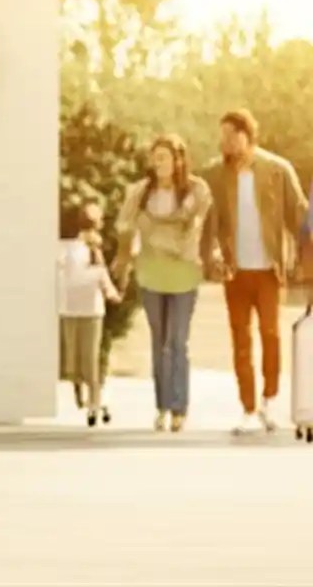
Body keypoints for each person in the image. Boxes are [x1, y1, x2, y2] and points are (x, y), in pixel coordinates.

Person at [200, 109, 309, 435]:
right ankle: (247, 408)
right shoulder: (215, 175)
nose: (227, 143)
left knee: (271, 335)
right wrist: (212, 254)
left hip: (268, 270)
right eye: (223, 137)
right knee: (240, 337)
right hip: (235, 271)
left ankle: (269, 400)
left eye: (232, 136)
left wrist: (301, 257)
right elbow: (207, 223)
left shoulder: (277, 170)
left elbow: (300, 215)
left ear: (248, 135)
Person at [112, 134, 212, 432]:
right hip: (151, 273)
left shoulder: (196, 190)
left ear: (178, 160)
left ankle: (179, 408)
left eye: (165, 157)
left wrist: (161, 235)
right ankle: (162, 406)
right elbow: (124, 224)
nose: (159, 163)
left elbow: (193, 225)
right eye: (155, 157)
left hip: (183, 273)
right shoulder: (141, 192)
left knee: (177, 342)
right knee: (159, 342)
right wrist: (124, 257)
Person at [58, 202, 122, 427]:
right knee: (72, 365)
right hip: (70, 310)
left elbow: (102, 277)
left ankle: (94, 405)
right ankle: (82, 393)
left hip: (92, 312)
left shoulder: (96, 250)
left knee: (90, 362)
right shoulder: (68, 248)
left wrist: (113, 293)